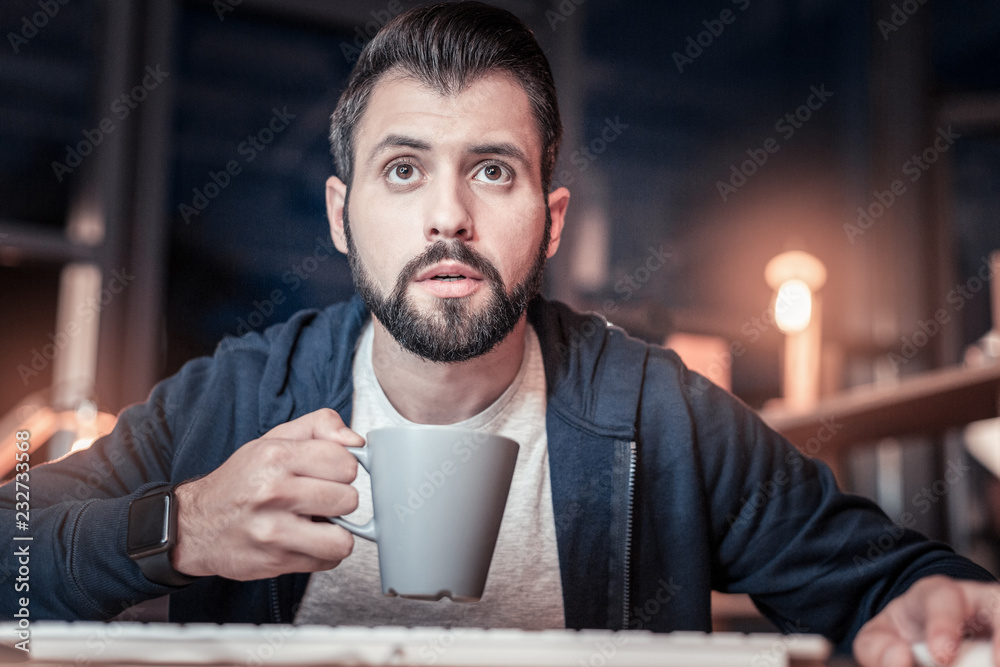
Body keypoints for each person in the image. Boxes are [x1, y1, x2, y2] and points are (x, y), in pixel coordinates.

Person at [2, 3, 999, 665]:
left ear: (550, 219)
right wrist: (180, 525)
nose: (447, 217)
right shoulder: (232, 398)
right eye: (403, 170)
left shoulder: (661, 413)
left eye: (491, 170)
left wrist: (924, 606)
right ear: (342, 215)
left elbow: (894, 580)